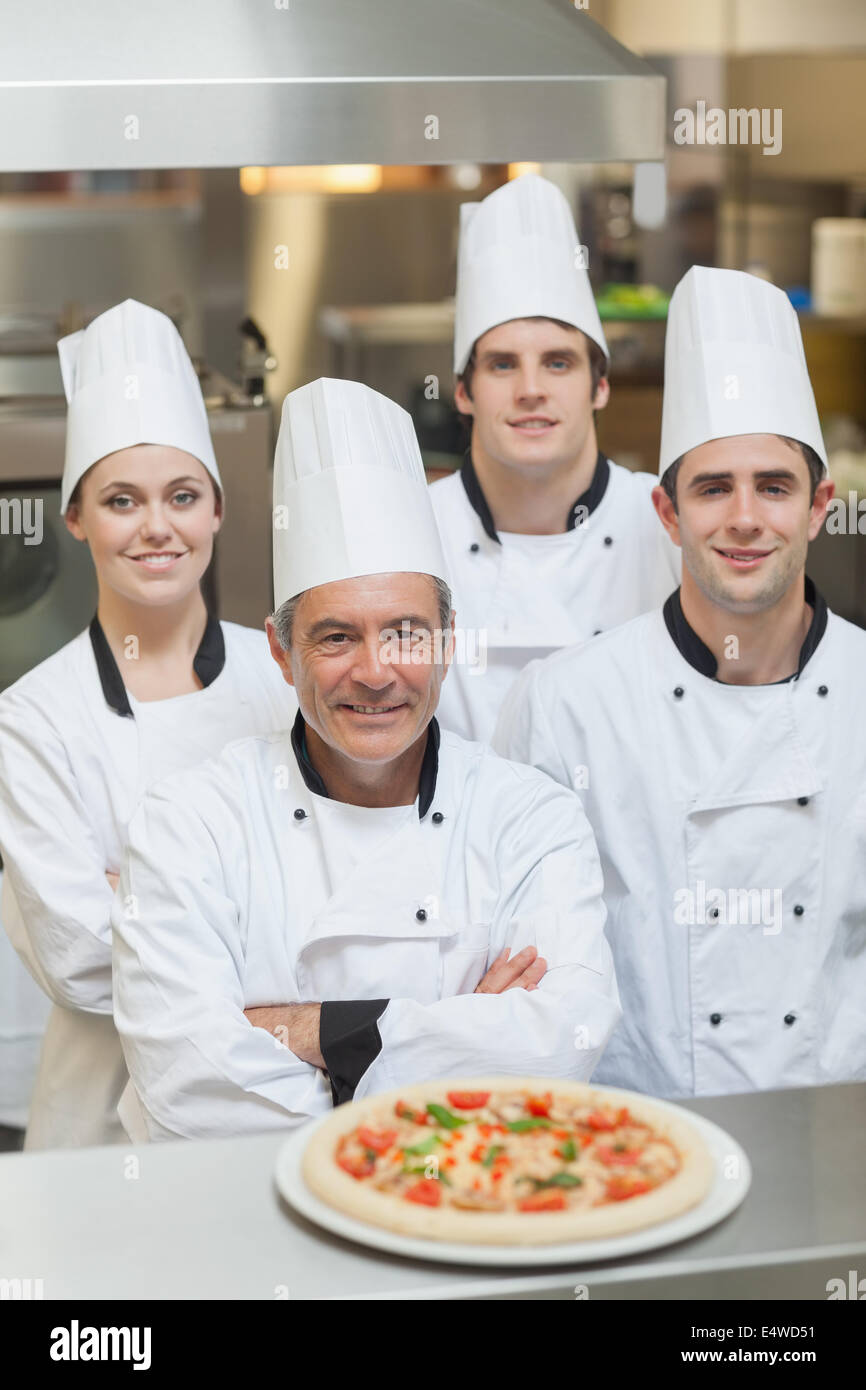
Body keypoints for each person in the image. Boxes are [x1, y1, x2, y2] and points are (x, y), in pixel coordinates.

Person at [111, 378, 620, 1141]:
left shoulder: (531, 819)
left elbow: (564, 1045)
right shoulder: (189, 826)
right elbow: (187, 1081)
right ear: (283, 652)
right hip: (244, 1227)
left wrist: (309, 1032)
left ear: (448, 645)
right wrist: (462, 1034)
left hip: (469, 1218)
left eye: (407, 633)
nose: (377, 671)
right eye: (337, 636)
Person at [495, 265, 866, 1097]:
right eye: (712, 489)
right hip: (634, 1143)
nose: (743, 518)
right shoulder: (565, 706)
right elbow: (523, 964)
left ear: (818, 507)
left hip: (848, 1142)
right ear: (667, 514)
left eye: (774, 487)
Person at [0, 299, 297, 1148]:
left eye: (182, 496)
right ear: (75, 520)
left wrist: (135, 892)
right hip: (98, 1126)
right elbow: (81, 966)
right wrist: (261, 907)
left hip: (278, 1106)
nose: (156, 527)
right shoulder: (33, 720)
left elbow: (345, 906)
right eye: (122, 500)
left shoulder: (287, 680)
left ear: (218, 511)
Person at [429, 173, 680, 744]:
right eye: (501, 364)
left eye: (559, 363)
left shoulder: (665, 525)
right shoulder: (413, 530)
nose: (531, 389)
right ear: (463, 392)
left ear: (600, 386)